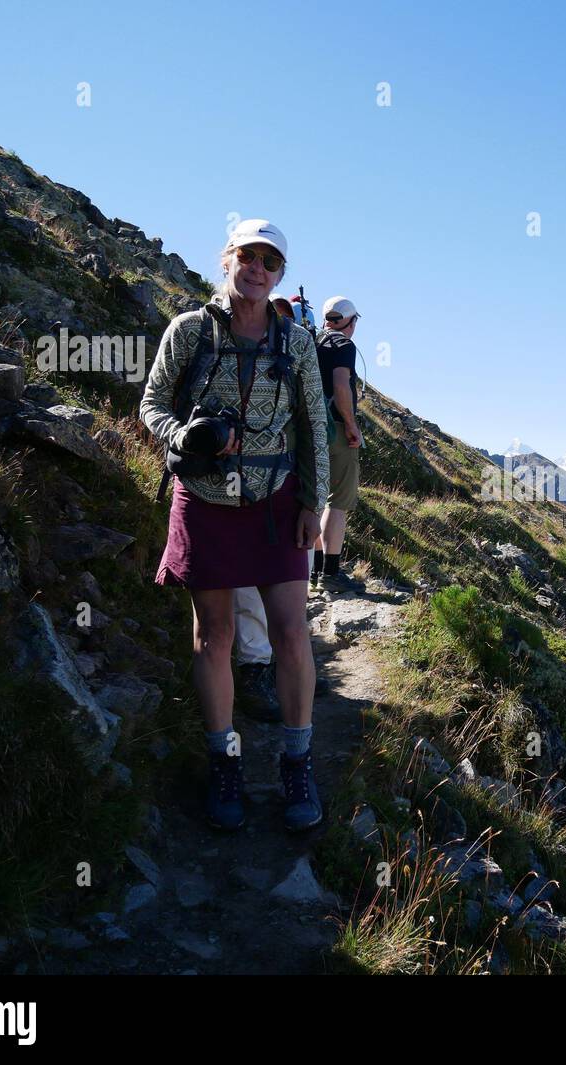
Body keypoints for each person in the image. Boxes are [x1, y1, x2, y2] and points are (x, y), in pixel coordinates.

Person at [140, 219, 328, 832]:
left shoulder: (295, 342)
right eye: (247, 256)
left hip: (277, 502)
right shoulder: (189, 331)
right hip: (204, 498)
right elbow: (151, 403)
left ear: (280, 275)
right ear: (227, 260)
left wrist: (314, 503)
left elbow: (314, 424)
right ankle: (225, 766)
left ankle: (297, 764)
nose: (257, 269)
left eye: (270, 262)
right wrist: (180, 435)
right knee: (214, 636)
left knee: (292, 632)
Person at [230, 290, 310, 722]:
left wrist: (312, 499)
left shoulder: (297, 357)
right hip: (243, 485)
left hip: (288, 487)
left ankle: (289, 665)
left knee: (291, 586)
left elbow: (313, 426)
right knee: (247, 586)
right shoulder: (235, 349)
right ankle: (255, 668)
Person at [314, 295, 364, 595]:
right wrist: (350, 424)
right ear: (351, 321)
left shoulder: (311, 340)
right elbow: (341, 385)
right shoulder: (343, 345)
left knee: (314, 497)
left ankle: (312, 568)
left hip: (307, 429)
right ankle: (330, 573)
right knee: (338, 500)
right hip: (334, 428)